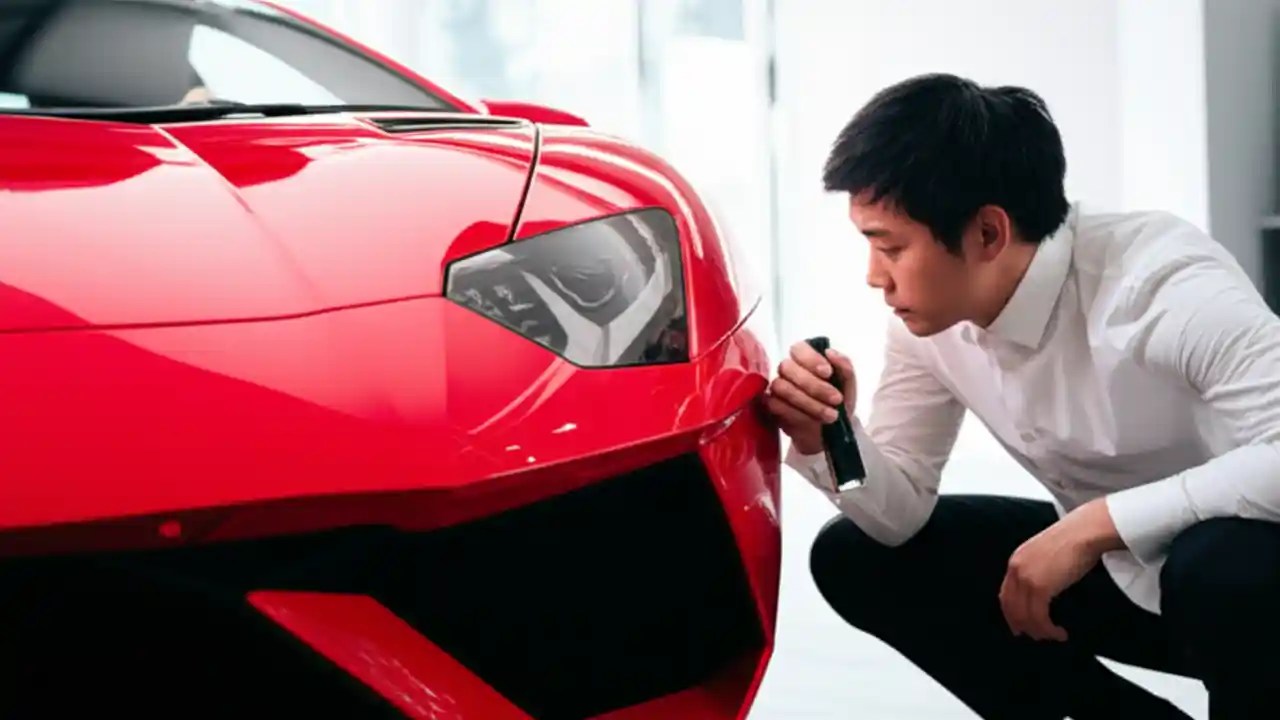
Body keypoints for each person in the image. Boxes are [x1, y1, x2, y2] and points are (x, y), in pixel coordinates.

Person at [765, 72, 1280, 720]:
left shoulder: (1161, 284)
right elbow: (900, 516)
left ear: (988, 233)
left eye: (889, 247)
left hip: (1245, 593)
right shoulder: (927, 326)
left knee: (1218, 564)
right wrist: (829, 442)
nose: (874, 277)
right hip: (1127, 580)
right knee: (854, 556)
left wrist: (1095, 525)